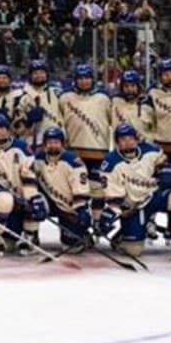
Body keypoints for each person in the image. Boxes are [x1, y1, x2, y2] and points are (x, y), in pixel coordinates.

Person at [98, 123, 171, 259]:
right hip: (134, 207)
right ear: (117, 142)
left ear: (136, 139)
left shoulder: (151, 150)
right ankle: (123, 235)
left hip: (153, 197)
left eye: (130, 138)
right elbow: (113, 196)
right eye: (123, 139)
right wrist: (114, 211)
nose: (128, 142)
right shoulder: (110, 163)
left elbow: (164, 164)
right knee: (133, 251)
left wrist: (165, 173)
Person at [0, 112, 45, 253]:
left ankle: (30, 235)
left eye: (2, 127)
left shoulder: (21, 147)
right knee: (7, 245)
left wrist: (31, 196)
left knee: (36, 201)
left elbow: (29, 174)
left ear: (8, 129)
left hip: (20, 195)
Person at [59, 63, 112, 219]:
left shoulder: (103, 98)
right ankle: (76, 226)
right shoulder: (65, 98)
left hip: (98, 152)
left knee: (98, 192)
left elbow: (113, 121)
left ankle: (96, 223)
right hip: (73, 153)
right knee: (75, 191)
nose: (84, 82)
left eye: (87, 78)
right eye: (80, 78)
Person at [30, 127, 92, 249]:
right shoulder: (38, 159)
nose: (53, 146)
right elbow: (30, 180)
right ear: (44, 145)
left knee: (71, 247)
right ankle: (32, 235)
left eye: (56, 142)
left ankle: (83, 235)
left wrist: (81, 210)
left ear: (63, 144)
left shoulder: (73, 162)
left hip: (69, 207)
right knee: (31, 203)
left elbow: (81, 189)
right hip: (50, 201)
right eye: (49, 143)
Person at [15, 59, 63, 147]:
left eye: (42, 72)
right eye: (35, 73)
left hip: (55, 141)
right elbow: (16, 129)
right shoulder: (22, 96)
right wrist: (27, 121)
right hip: (31, 143)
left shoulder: (57, 93)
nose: (39, 75)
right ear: (30, 75)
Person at [110, 70, 152, 142]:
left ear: (138, 87)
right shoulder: (115, 102)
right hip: (120, 149)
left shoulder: (147, 105)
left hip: (144, 149)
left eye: (133, 86)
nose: (130, 89)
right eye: (126, 86)